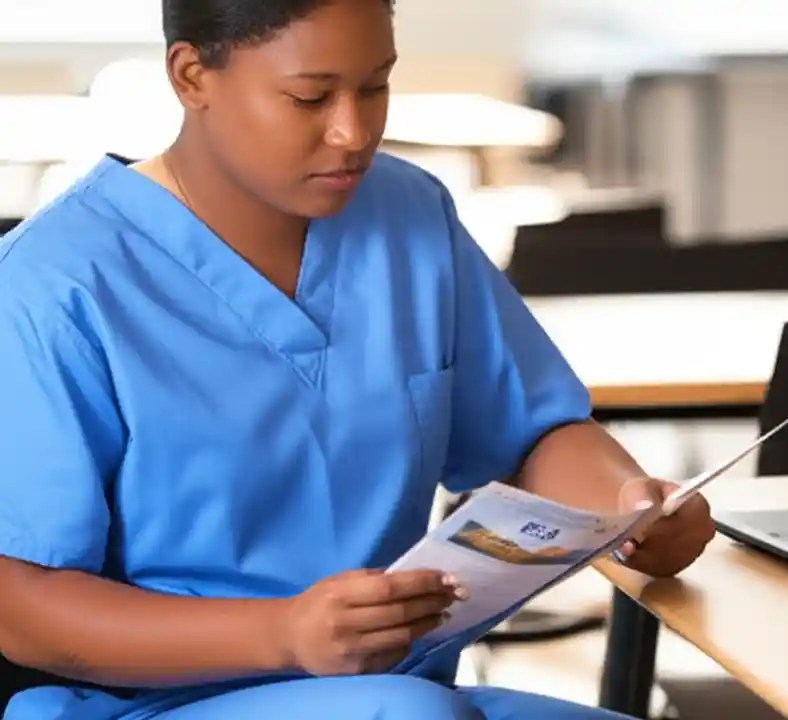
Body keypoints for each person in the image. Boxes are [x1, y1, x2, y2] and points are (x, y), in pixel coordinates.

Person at [0, 1, 717, 718]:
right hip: (149, 706)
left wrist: (627, 508)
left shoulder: (409, 214)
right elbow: (21, 607)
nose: (353, 132)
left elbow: (533, 432)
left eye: (375, 87)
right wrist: (282, 635)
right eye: (310, 97)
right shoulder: (54, 282)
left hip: (397, 694)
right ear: (192, 76)